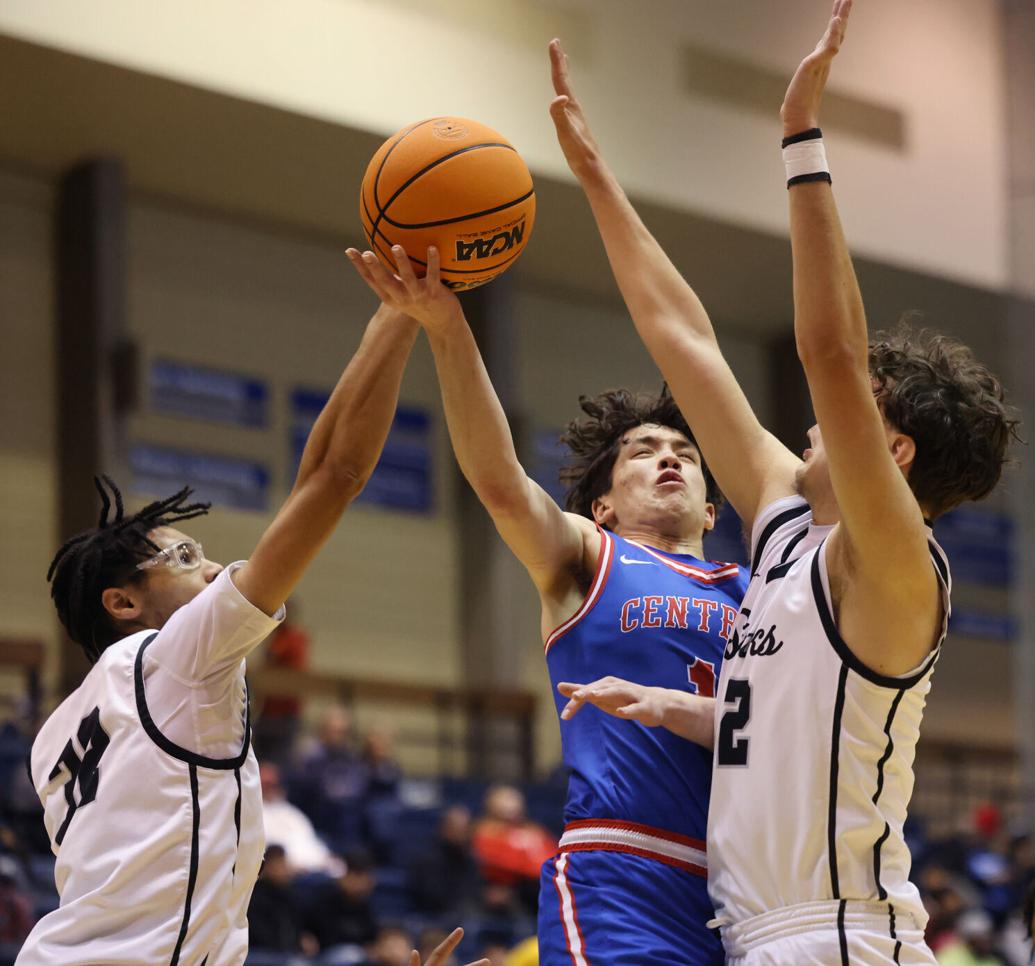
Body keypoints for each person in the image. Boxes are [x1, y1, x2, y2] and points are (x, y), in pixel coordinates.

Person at [548, 2, 1018, 964]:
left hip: (840, 938)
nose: (809, 420)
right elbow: (685, 342)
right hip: (756, 935)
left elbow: (830, 351)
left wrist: (801, 141)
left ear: (889, 455)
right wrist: (596, 181)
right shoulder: (789, 527)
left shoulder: (893, 564)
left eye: (850, 411)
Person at [346, 236, 748, 962]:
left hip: (746, 885)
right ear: (600, 506)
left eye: (685, 454)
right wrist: (448, 327)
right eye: (643, 451)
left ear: (713, 511)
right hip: (623, 869)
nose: (669, 458)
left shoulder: (761, 593)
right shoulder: (590, 556)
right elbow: (499, 482)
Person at [17, 303, 420, 965]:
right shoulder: (175, 658)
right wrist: (401, 314)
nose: (208, 567)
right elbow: (334, 475)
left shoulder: (54, 737)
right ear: (122, 601)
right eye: (179, 559)